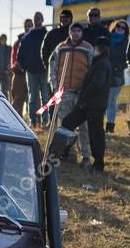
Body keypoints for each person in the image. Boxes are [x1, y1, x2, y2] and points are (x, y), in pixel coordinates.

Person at [61, 36, 113, 174]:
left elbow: (97, 85)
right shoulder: (100, 61)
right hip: (89, 103)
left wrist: (83, 93)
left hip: (94, 104)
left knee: (95, 134)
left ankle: (98, 165)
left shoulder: (102, 63)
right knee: (68, 123)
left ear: (99, 48)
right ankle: (63, 153)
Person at [48, 22, 95, 163]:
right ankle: (68, 154)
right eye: (73, 31)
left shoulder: (88, 48)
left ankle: (86, 155)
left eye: (78, 31)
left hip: (82, 93)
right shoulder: (61, 48)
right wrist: (55, 86)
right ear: (69, 32)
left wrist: (89, 90)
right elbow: (53, 67)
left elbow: (93, 69)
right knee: (65, 125)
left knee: (83, 125)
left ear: (82, 33)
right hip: (65, 92)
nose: (76, 33)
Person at [17, 12, 47, 126]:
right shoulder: (27, 37)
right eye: (36, 18)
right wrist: (24, 66)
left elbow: (51, 51)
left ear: (43, 19)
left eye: (39, 18)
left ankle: (45, 121)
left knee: (45, 96)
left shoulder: (46, 34)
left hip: (44, 71)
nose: (37, 20)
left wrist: (48, 65)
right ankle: (33, 121)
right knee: (32, 97)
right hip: (31, 71)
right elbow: (20, 55)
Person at [105, 19, 129, 132]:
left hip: (117, 75)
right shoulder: (107, 39)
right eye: (118, 26)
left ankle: (110, 126)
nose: (120, 28)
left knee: (112, 100)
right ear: (114, 26)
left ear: (126, 31)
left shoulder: (127, 42)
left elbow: (128, 59)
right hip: (104, 73)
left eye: (123, 27)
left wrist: (118, 66)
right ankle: (98, 125)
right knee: (102, 100)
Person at [9, 18, 31, 117]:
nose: (28, 28)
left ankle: (35, 123)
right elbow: (13, 59)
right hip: (19, 74)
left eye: (30, 25)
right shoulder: (18, 42)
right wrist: (16, 67)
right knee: (17, 100)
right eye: (26, 26)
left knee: (34, 100)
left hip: (33, 73)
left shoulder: (37, 40)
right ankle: (11, 119)